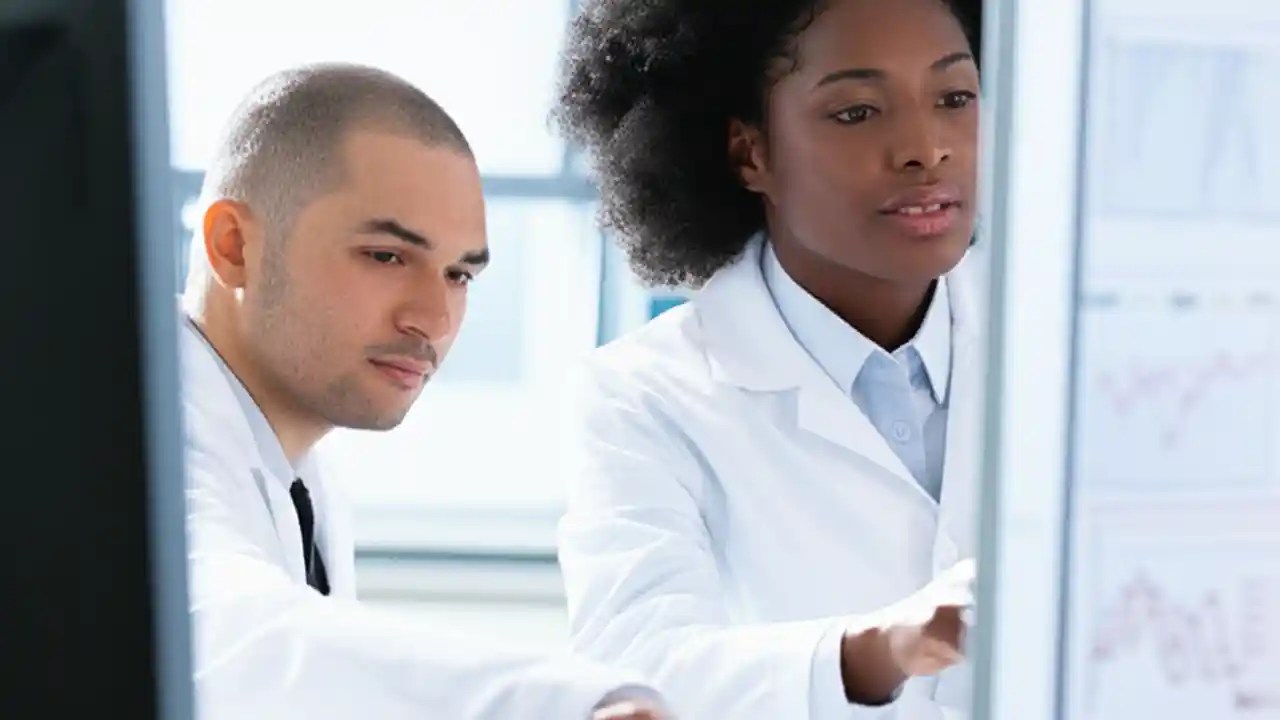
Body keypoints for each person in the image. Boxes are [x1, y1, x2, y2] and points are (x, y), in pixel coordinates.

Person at [179, 62, 670, 720]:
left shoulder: (302, 480)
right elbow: (214, 624)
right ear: (233, 245)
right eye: (387, 256)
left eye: (460, 275)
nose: (434, 321)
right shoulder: (129, 441)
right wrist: (574, 708)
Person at [552, 0, 985, 717]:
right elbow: (636, 672)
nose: (926, 147)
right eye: (857, 112)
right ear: (750, 153)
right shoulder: (642, 397)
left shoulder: (1066, 349)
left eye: (954, 97)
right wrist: (876, 650)